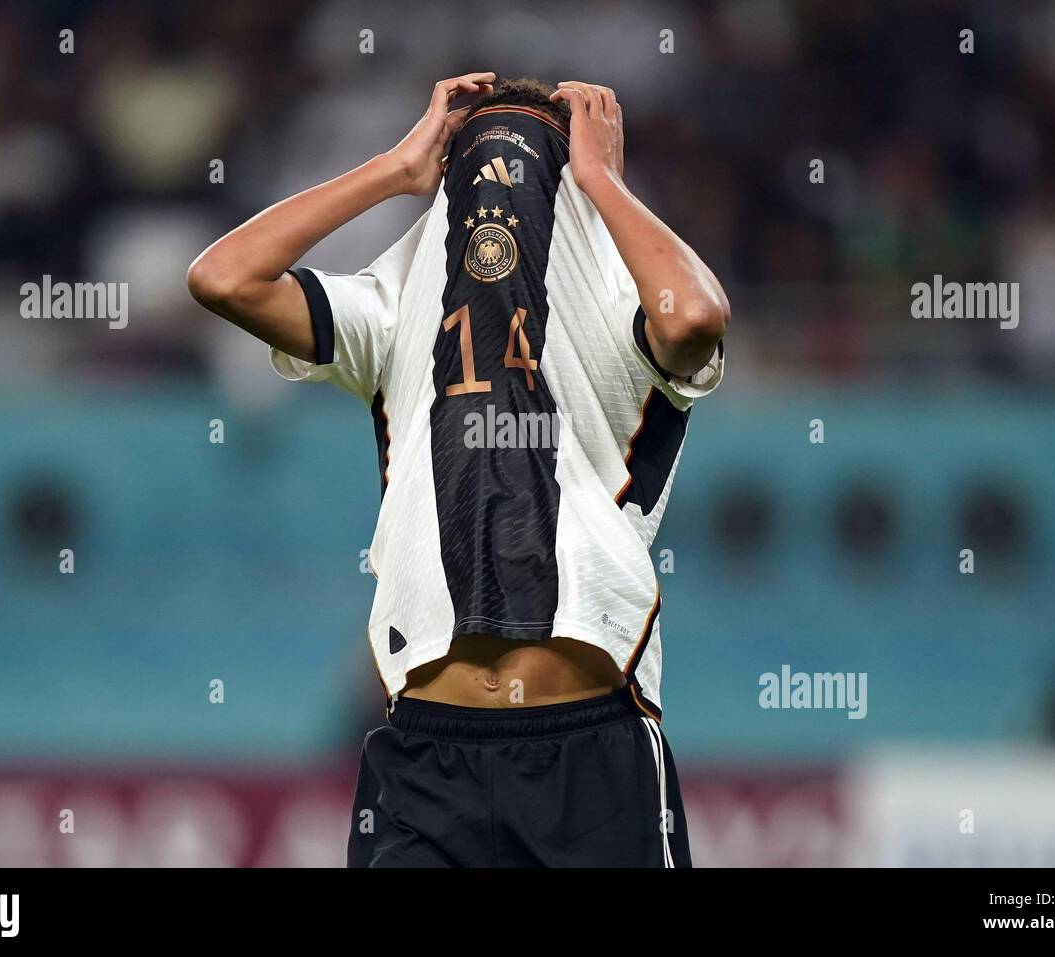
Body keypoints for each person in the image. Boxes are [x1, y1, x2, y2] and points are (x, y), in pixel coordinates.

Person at [188, 73, 728, 866]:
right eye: (476, 152)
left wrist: (600, 179)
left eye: (526, 155)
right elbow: (222, 278)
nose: (498, 181)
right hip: (428, 754)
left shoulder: (622, 302)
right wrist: (394, 169)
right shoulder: (393, 301)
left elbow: (698, 316)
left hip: (589, 743)